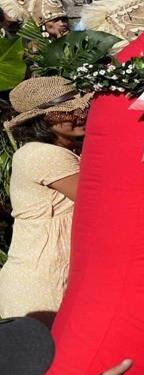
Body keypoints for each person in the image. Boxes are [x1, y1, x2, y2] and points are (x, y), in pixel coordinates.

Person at [0, 77, 90, 326]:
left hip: (45, 275)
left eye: (81, 107)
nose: (79, 114)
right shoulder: (43, 154)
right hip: (42, 282)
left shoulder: (60, 151)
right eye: (66, 112)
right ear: (42, 120)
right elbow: (96, 201)